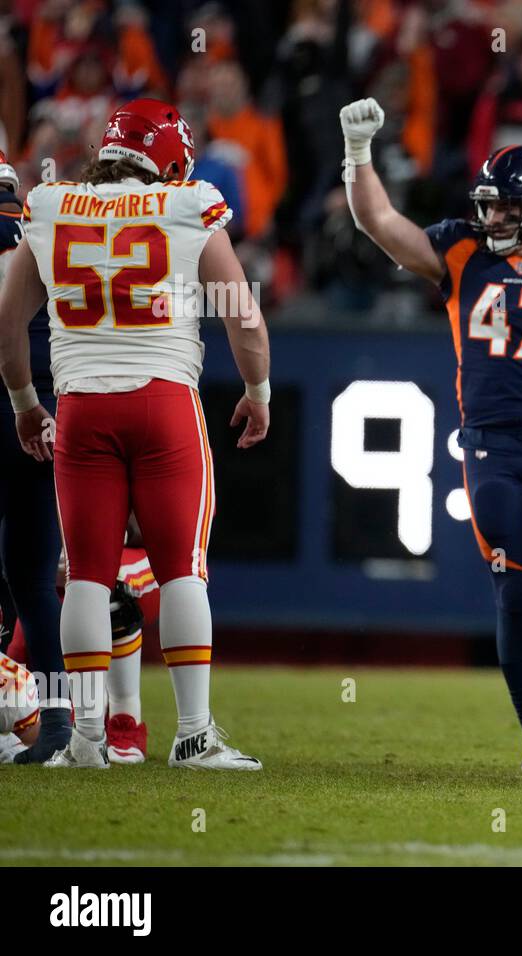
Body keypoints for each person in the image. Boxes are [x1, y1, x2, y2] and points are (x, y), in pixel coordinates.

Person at [340, 99, 522, 771]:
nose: (493, 217)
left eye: (506, 207)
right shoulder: (461, 251)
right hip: (492, 453)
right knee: (515, 596)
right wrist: (356, 153)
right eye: (489, 205)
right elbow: (379, 222)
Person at [0, 98, 270, 770]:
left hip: (82, 405)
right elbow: (241, 311)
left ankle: (88, 740)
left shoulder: (52, 204)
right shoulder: (190, 205)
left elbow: (8, 326)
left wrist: (25, 403)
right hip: (163, 403)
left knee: (87, 576)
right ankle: (194, 735)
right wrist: (258, 390)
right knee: (183, 571)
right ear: (171, 159)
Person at [0, 148, 69, 764]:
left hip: (12, 403)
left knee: (26, 574)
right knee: (31, 577)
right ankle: (58, 719)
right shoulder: (38, 237)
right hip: (40, 411)